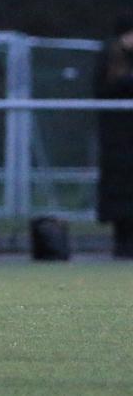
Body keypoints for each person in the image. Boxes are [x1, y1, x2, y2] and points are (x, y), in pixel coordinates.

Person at [94, 16, 133, 259]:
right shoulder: (109, 60)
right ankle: (122, 241)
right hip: (117, 139)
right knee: (119, 188)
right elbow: (102, 90)